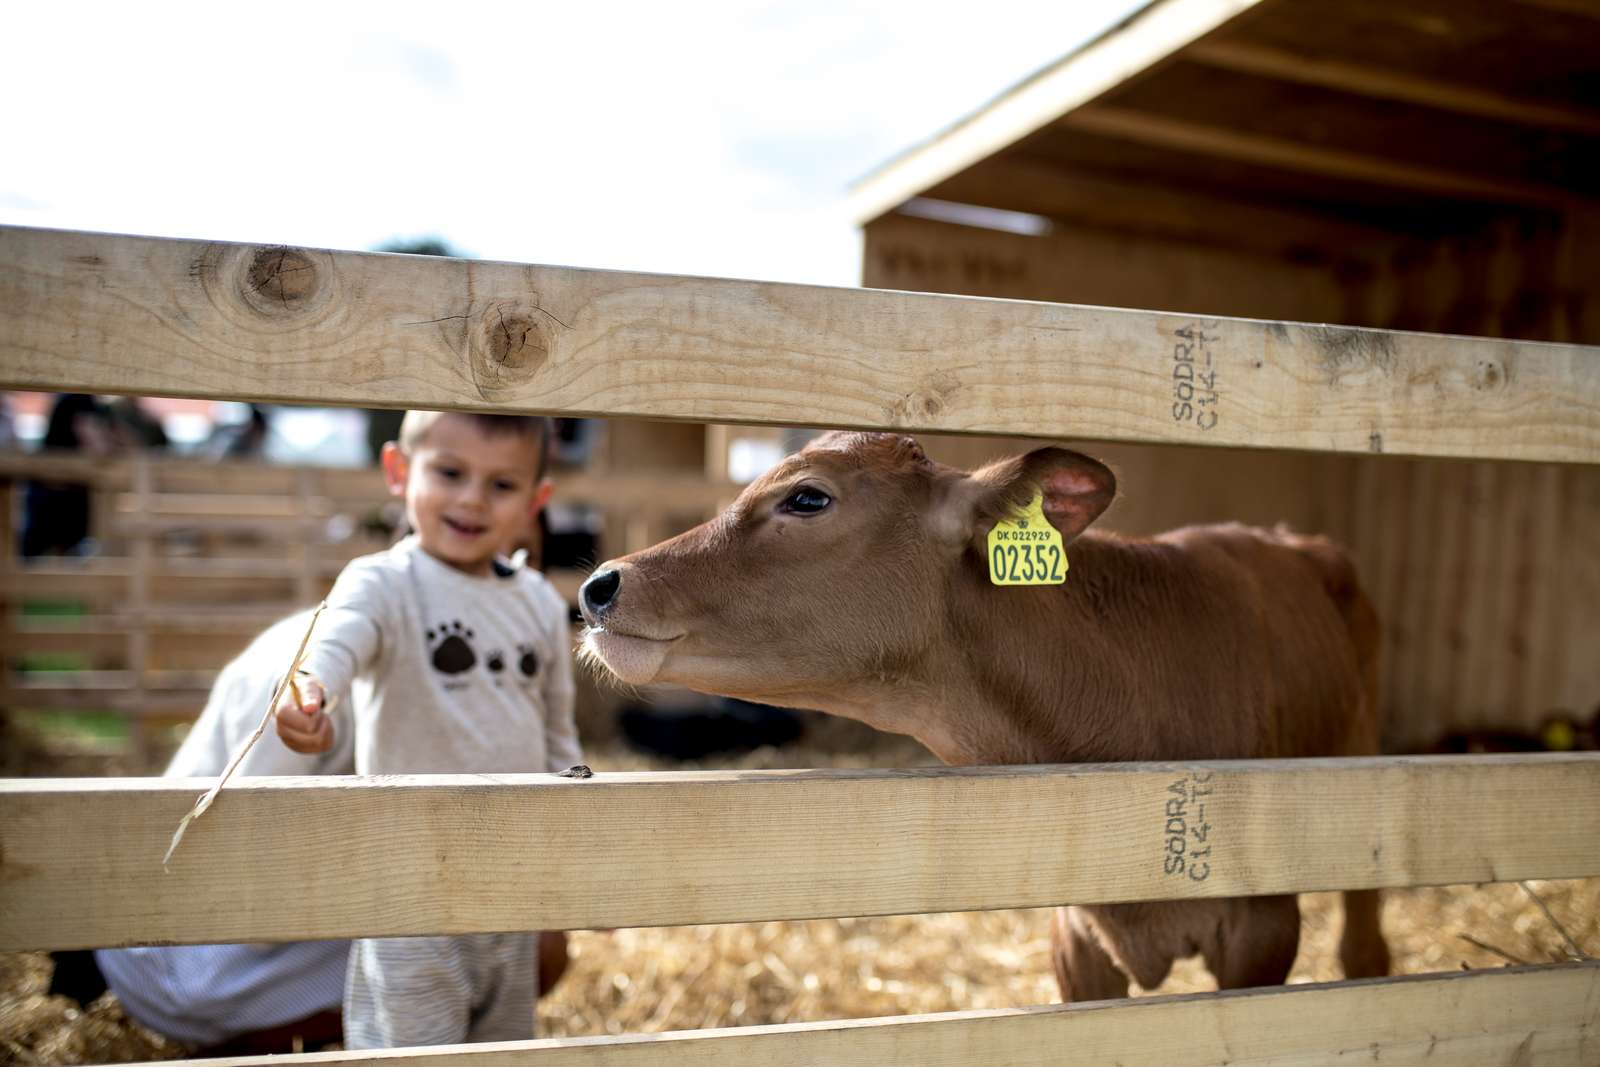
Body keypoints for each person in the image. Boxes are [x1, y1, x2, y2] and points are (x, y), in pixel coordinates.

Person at [275, 410, 580, 1048]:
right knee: (416, 1048)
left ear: (536, 500)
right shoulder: (383, 583)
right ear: (398, 470)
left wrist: (581, 853)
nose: (472, 499)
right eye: (449, 473)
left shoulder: (540, 603)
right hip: (409, 883)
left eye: (502, 485)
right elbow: (338, 641)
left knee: (504, 1044)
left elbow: (559, 739)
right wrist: (312, 690)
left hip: (511, 883)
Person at [50, 611, 357, 1053]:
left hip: (210, 917)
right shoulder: (303, 674)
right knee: (420, 941)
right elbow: (256, 887)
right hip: (192, 950)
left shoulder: (359, 641)